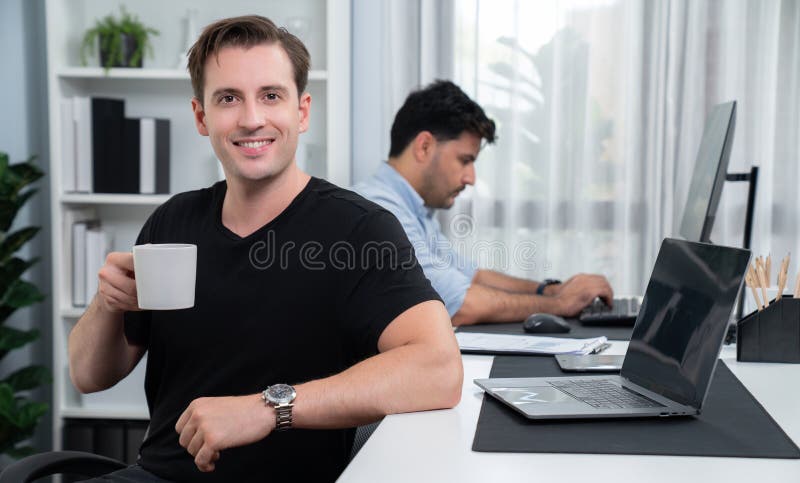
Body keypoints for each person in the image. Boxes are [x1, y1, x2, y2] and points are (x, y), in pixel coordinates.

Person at [68, 16, 462, 482]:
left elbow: (439, 369)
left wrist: (269, 408)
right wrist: (107, 304)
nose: (252, 118)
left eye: (271, 96)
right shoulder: (172, 221)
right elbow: (89, 375)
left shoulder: (360, 231)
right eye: (228, 98)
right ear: (201, 116)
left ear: (302, 111)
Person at [355, 80, 614, 326]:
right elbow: (460, 304)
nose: (470, 178)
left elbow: (472, 277)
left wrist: (548, 290)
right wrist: (559, 304)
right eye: (464, 160)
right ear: (424, 147)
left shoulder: (413, 209)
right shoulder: (380, 209)